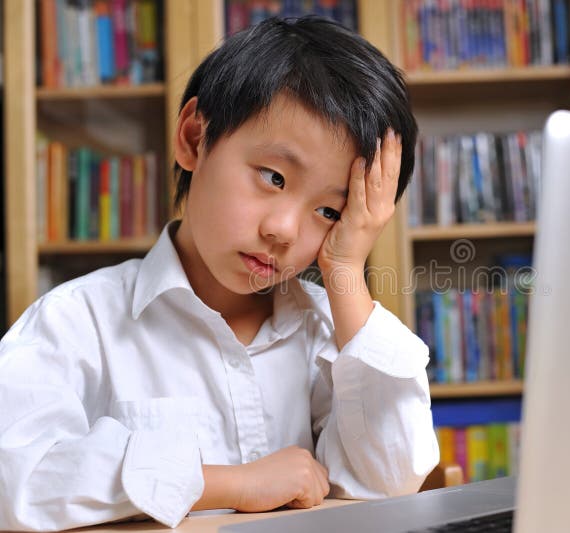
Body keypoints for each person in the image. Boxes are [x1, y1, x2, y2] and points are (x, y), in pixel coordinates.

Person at [0, 16, 439, 531]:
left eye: (328, 212)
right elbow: (14, 475)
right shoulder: (77, 322)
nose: (283, 230)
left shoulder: (332, 333)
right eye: (273, 177)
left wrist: (344, 268)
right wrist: (227, 482)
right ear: (194, 137)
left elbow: (389, 481)